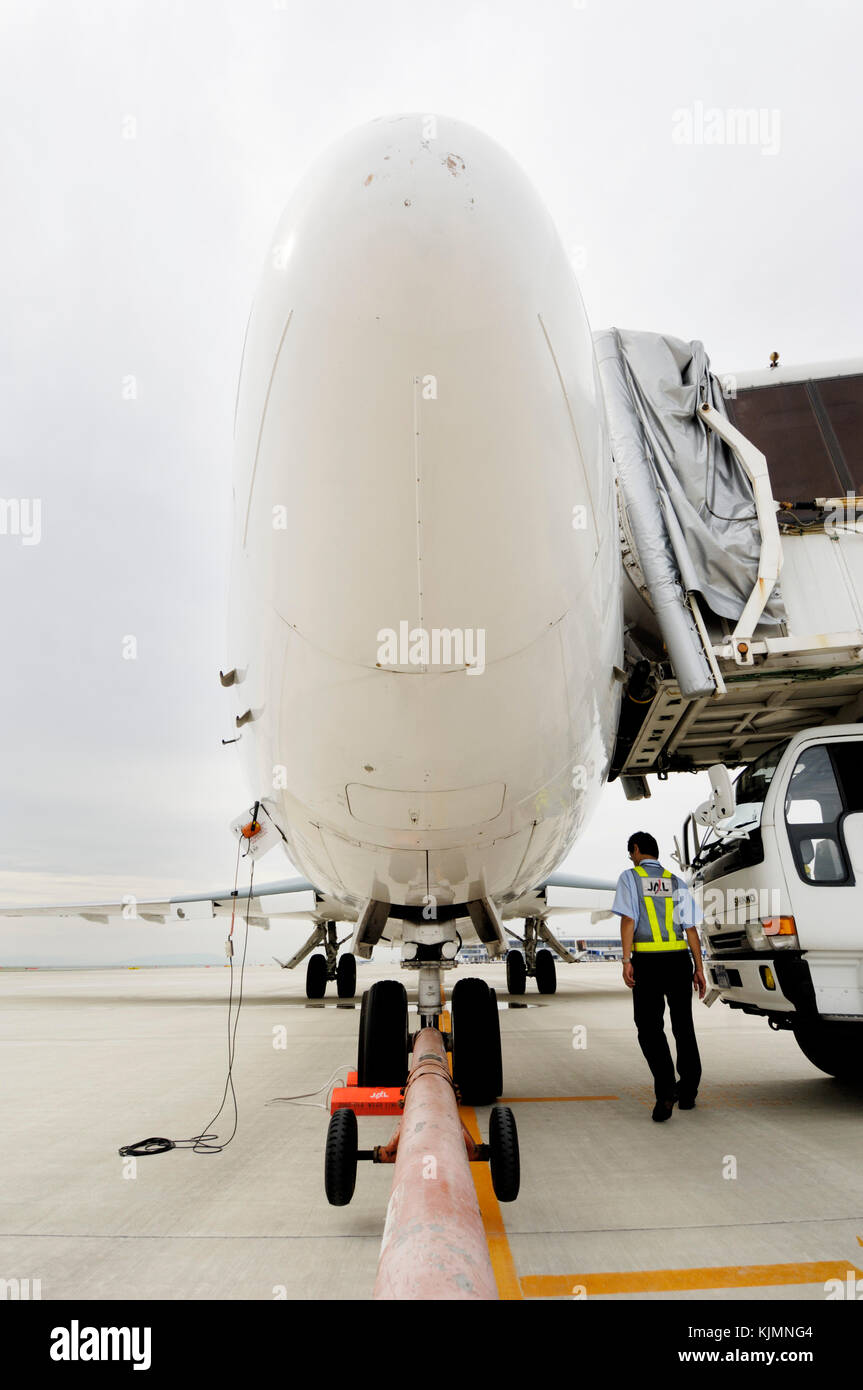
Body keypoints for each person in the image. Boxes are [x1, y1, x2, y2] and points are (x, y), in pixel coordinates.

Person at [611, 832, 707, 1122]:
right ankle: (688, 1091)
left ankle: (666, 1090)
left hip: (648, 963)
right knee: (683, 1026)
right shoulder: (676, 881)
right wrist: (698, 967)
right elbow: (691, 929)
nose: (630, 857)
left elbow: (628, 919)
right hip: (679, 961)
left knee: (650, 1028)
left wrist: (626, 959)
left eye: (631, 852)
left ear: (637, 849)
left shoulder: (630, 878)